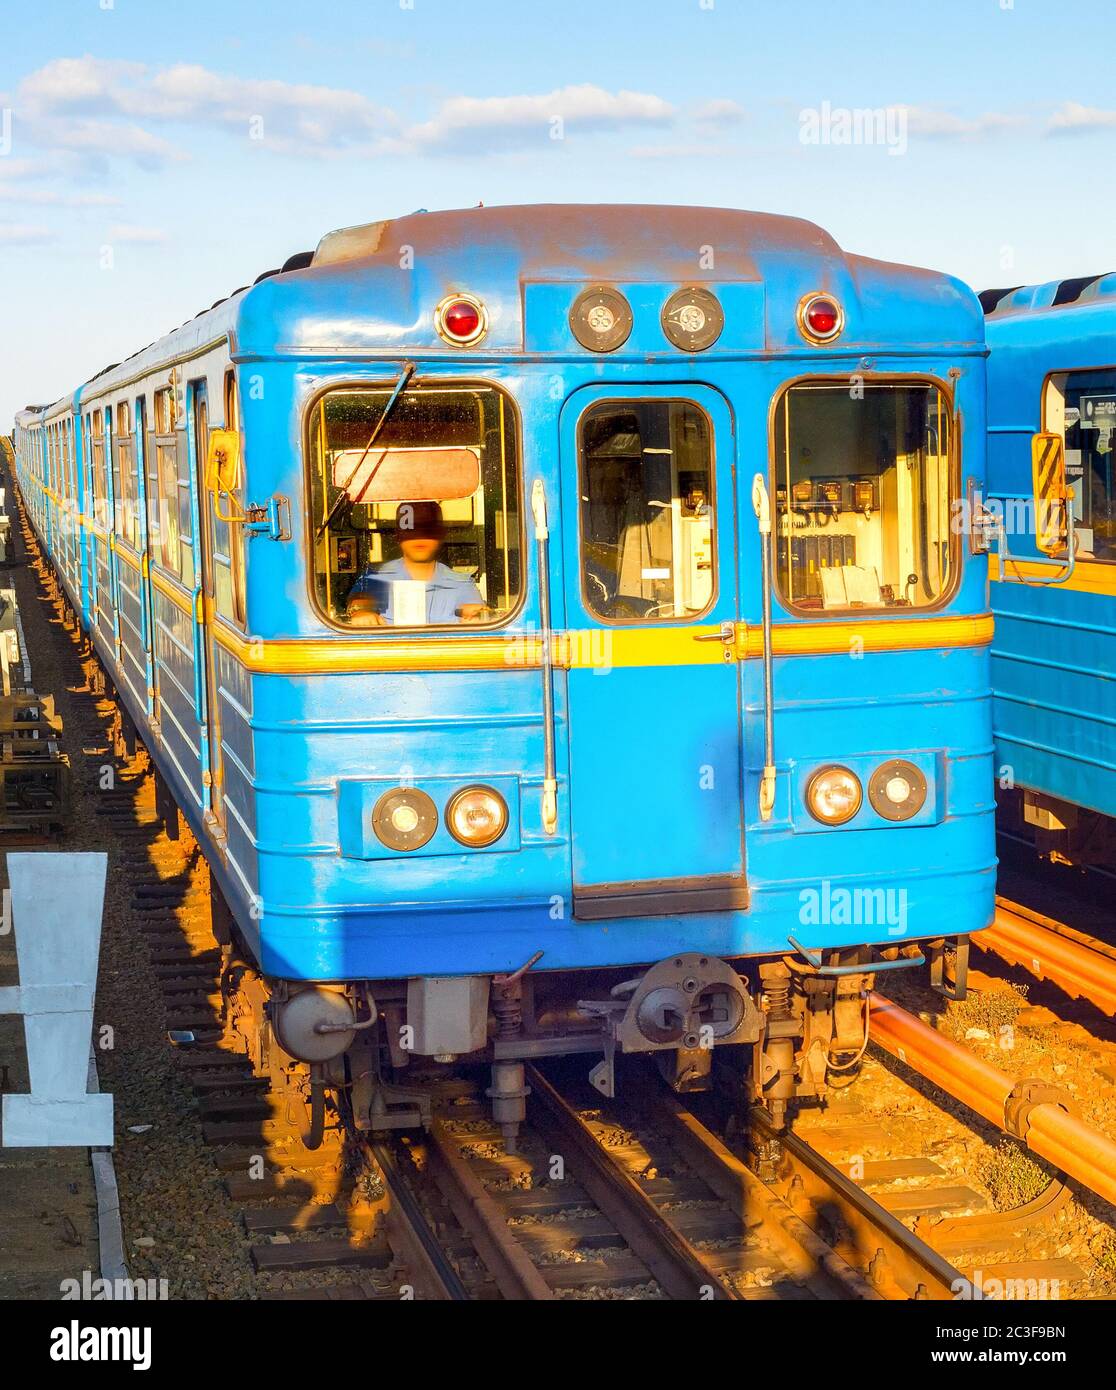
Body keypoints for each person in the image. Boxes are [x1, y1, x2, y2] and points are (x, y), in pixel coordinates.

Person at [346, 501, 484, 626]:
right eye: (410, 529)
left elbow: (477, 614)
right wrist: (361, 612)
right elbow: (360, 601)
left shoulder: (462, 584)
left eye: (427, 530)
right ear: (398, 535)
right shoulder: (374, 578)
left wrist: (476, 616)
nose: (419, 536)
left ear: (441, 534)